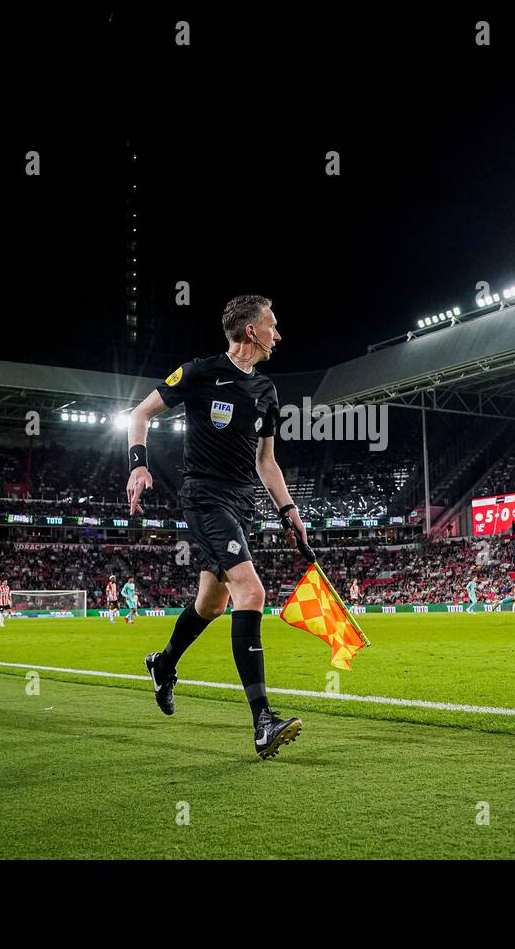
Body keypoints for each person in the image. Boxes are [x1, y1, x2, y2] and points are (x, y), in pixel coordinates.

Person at [126, 294, 305, 759]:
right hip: (204, 495)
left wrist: (289, 511)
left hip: (241, 501)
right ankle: (263, 721)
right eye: (273, 324)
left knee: (212, 603)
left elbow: (267, 462)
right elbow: (139, 414)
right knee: (253, 594)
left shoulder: (266, 390)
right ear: (250, 331)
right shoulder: (200, 371)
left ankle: (163, 664)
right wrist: (138, 465)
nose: (277, 334)